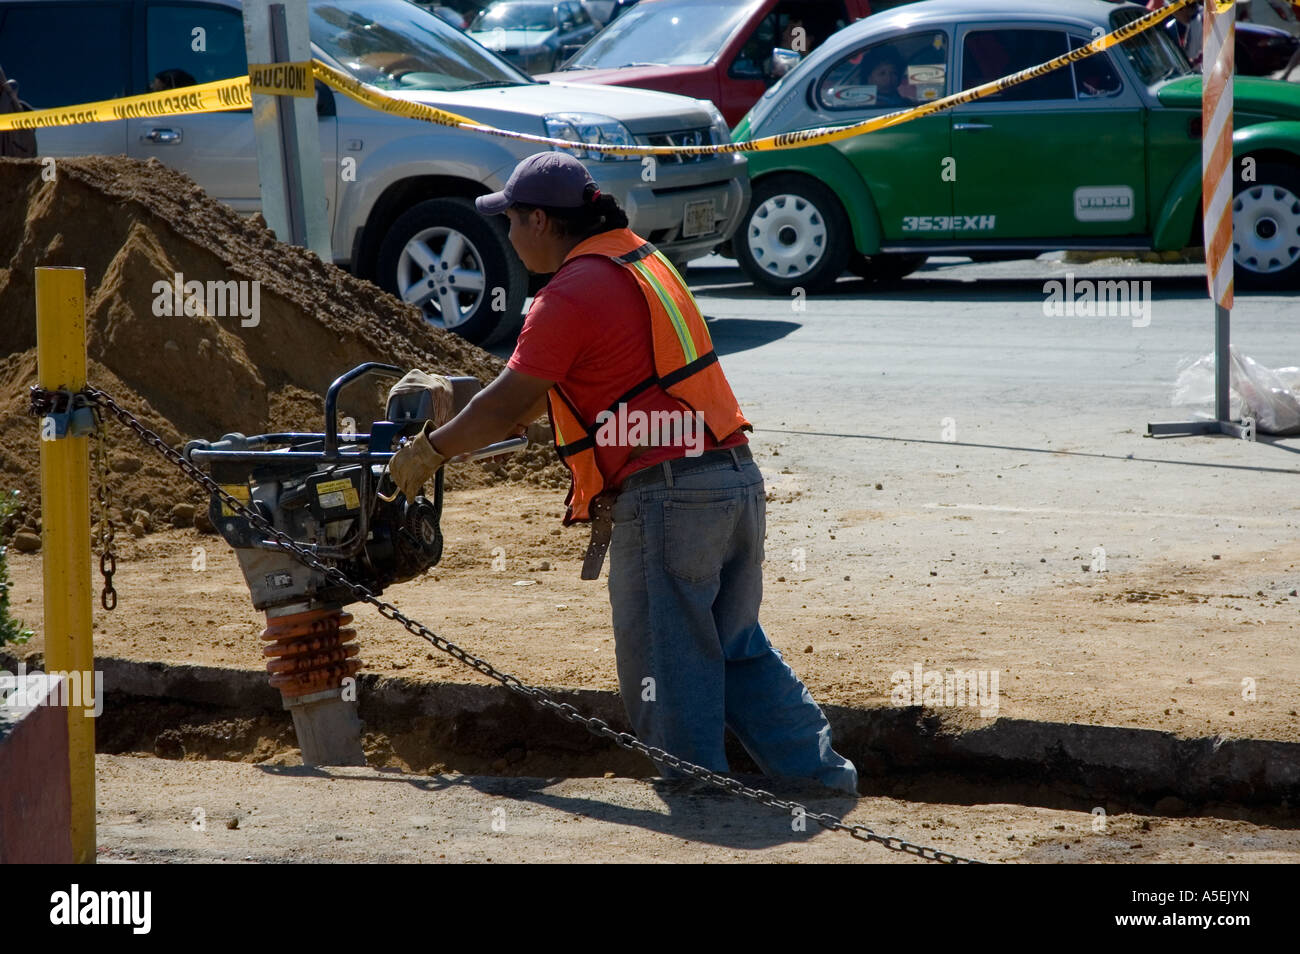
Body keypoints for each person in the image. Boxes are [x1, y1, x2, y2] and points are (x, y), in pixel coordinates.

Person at [386, 151, 858, 795]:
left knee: (669, 662)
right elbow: (625, 382)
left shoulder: (569, 292)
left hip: (668, 498)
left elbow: (508, 400)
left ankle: (700, 800)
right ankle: (822, 781)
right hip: (732, 478)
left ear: (541, 222)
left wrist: (431, 451)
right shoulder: (639, 260)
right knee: (736, 647)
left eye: (511, 222)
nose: (508, 236)